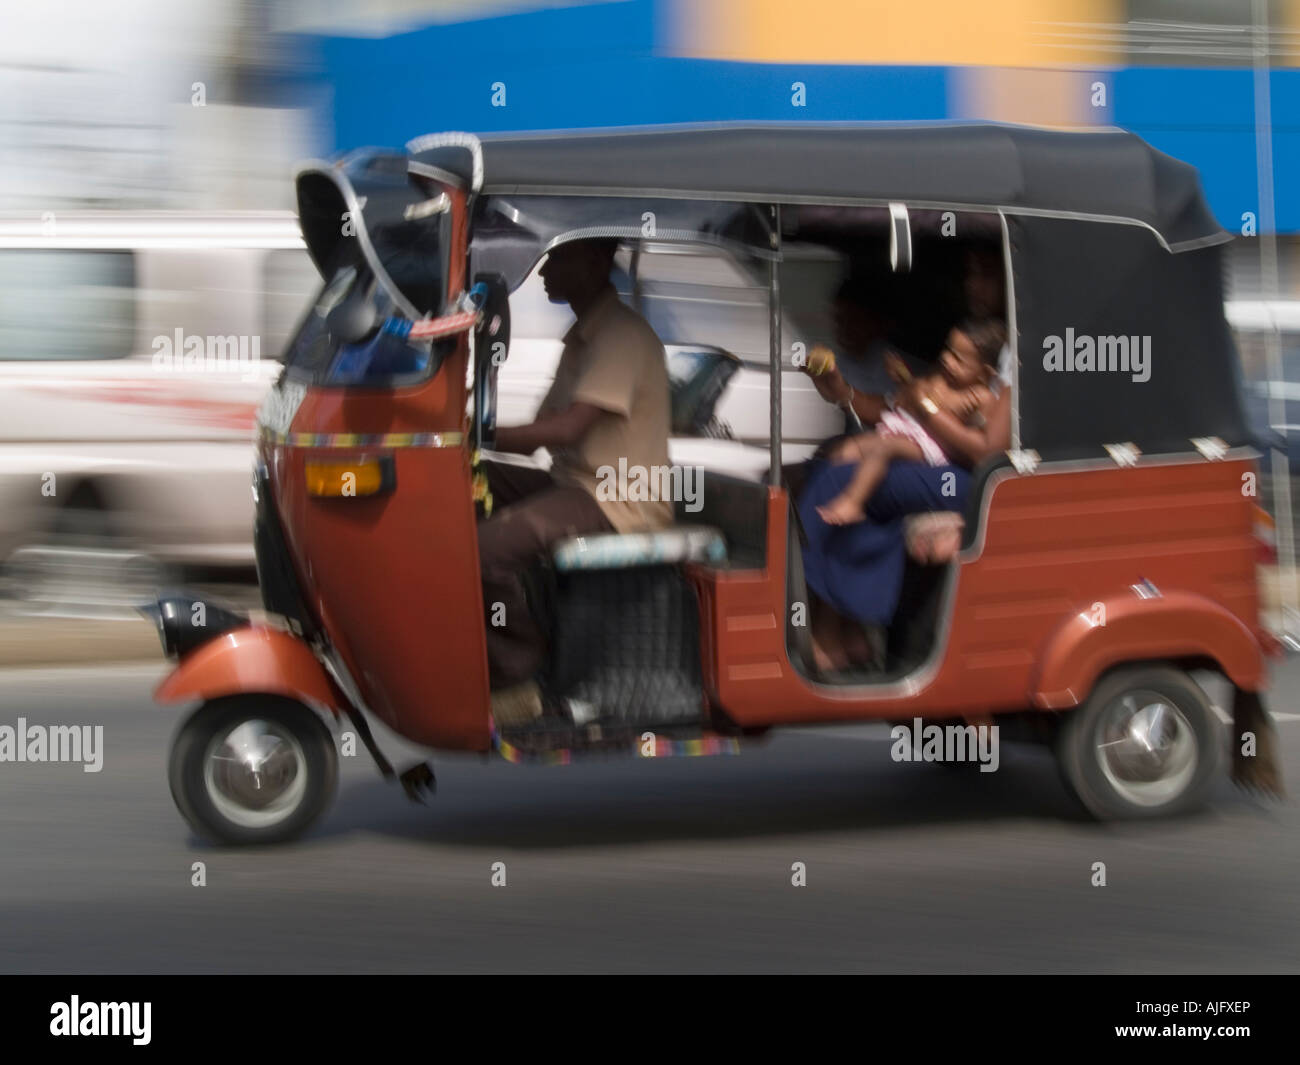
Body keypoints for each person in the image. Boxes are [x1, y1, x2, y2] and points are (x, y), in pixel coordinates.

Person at [479, 239, 671, 721]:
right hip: (573, 484)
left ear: (596, 262)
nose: (544, 268)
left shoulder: (621, 337)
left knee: (486, 548)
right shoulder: (582, 337)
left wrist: (474, 432)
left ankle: (519, 672)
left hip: (618, 499)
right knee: (463, 481)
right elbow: (542, 434)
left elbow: (564, 430)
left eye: (557, 257)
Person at [815, 320, 1006, 526]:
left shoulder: (979, 396)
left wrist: (974, 416)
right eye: (948, 351)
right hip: (906, 429)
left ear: (984, 373)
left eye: (958, 360)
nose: (947, 360)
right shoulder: (941, 377)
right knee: (845, 450)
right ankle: (826, 493)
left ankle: (853, 503)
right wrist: (903, 378)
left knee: (883, 448)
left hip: (929, 445)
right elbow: (915, 393)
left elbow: (978, 435)